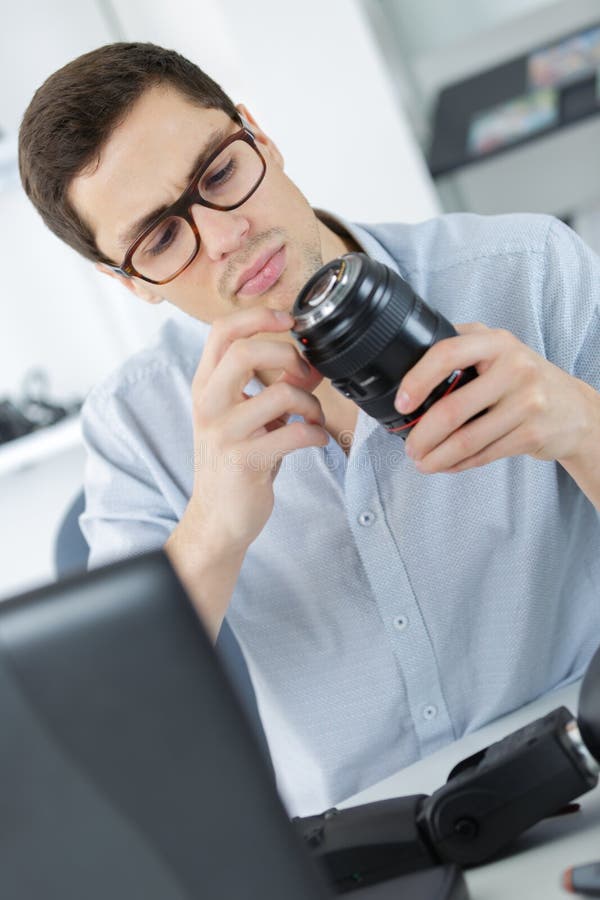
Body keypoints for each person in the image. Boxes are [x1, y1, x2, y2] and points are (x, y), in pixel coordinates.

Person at [19, 42, 600, 818]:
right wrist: (212, 531)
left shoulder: (527, 271)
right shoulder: (134, 426)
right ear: (129, 283)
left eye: (219, 173)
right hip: (368, 845)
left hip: (581, 770)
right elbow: (111, 730)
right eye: (160, 240)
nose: (224, 235)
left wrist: (580, 425)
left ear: (259, 134)